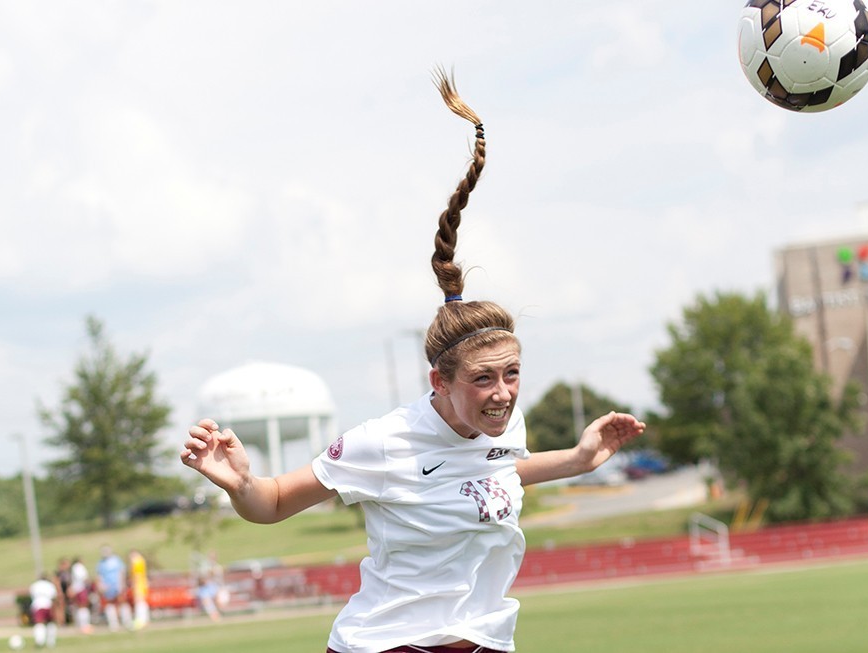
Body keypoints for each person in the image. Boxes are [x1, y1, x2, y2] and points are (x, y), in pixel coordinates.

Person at [181, 69, 646, 653]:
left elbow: (488, 474)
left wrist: (579, 459)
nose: (502, 392)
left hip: (482, 641)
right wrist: (242, 482)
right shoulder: (384, 442)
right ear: (440, 382)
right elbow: (272, 503)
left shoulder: (504, 429)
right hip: (389, 645)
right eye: (483, 379)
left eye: (511, 373)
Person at [95, 546, 130, 631]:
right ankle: (113, 623)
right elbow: (99, 575)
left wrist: (122, 583)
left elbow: (122, 571)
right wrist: (101, 585)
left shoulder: (116, 560)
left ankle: (127, 621)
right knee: (109, 604)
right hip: (108, 587)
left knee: (122, 602)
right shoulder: (101, 563)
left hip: (117, 585)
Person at [28, 573, 58, 649]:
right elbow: (54, 597)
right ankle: (51, 642)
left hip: (38, 605)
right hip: (48, 604)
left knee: (39, 623)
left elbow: (32, 596)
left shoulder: (34, 585)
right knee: (50, 623)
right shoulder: (50, 585)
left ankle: (39, 641)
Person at [67, 556, 93, 634]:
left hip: (77, 589)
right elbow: (83, 578)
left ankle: (81, 625)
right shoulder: (78, 567)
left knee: (79, 607)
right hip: (80, 589)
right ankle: (84, 625)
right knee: (83, 607)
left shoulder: (74, 568)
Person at [127, 549, 150, 630]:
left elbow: (137, 575)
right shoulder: (140, 561)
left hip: (139, 584)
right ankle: (143, 620)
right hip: (141, 583)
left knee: (140, 602)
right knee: (141, 602)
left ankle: (141, 620)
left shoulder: (137, 562)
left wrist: (134, 584)